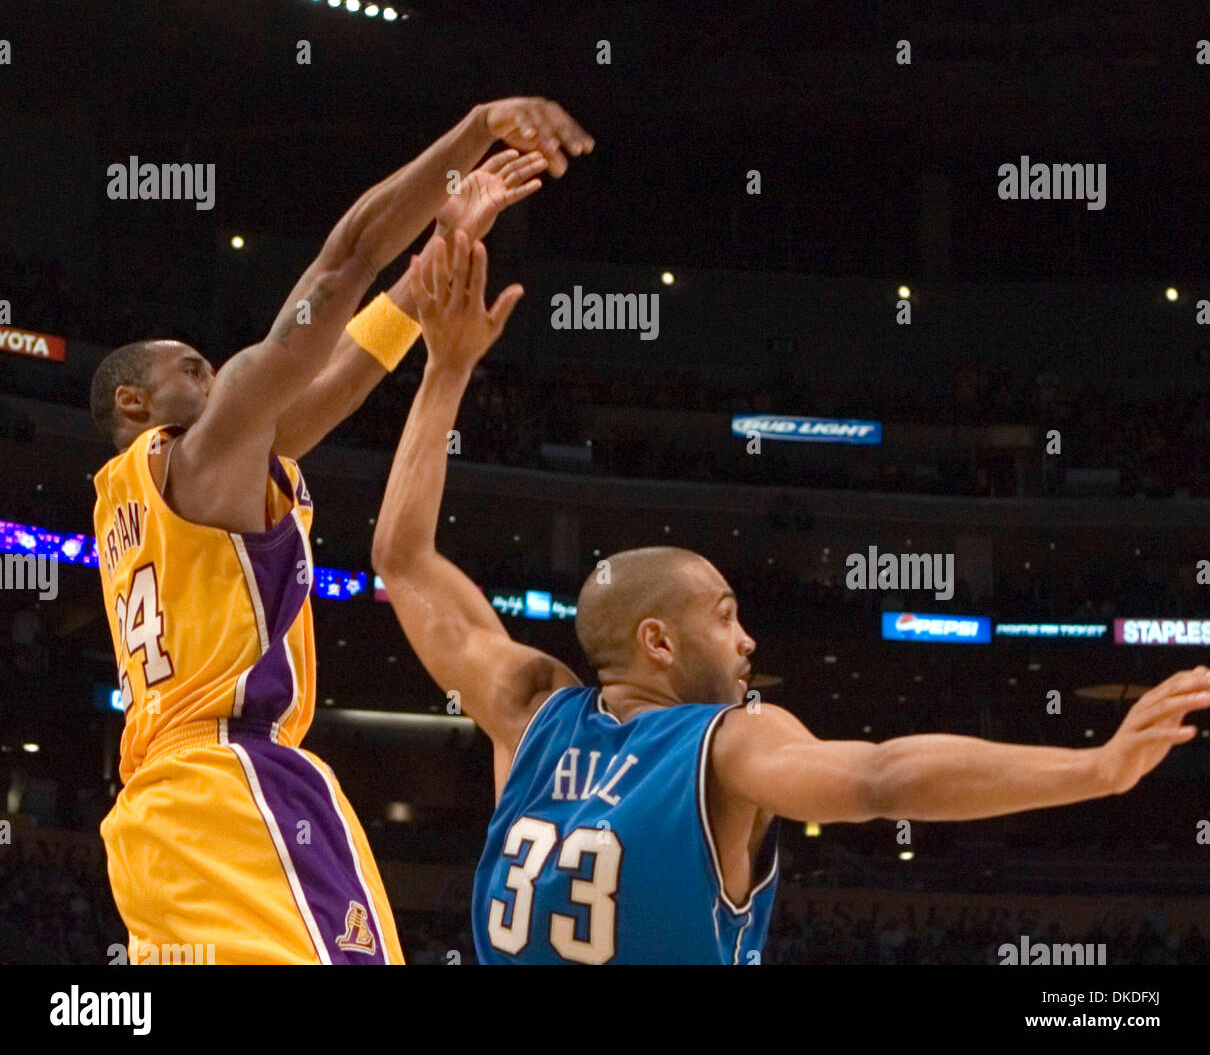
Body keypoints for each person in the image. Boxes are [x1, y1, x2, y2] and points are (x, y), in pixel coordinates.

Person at [372, 231, 1210, 965]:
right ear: (659, 642)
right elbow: (882, 778)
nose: (749, 642)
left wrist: (446, 369)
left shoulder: (525, 709)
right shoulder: (725, 746)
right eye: (727, 614)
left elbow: (403, 561)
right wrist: (1095, 770)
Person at [89, 99, 592, 964]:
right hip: (230, 779)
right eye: (191, 368)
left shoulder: (143, 494)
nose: (215, 373)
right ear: (133, 403)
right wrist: (471, 134)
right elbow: (346, 260)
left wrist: (442, 252)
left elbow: (352, 369)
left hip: (157, 812)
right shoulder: (207, 453)